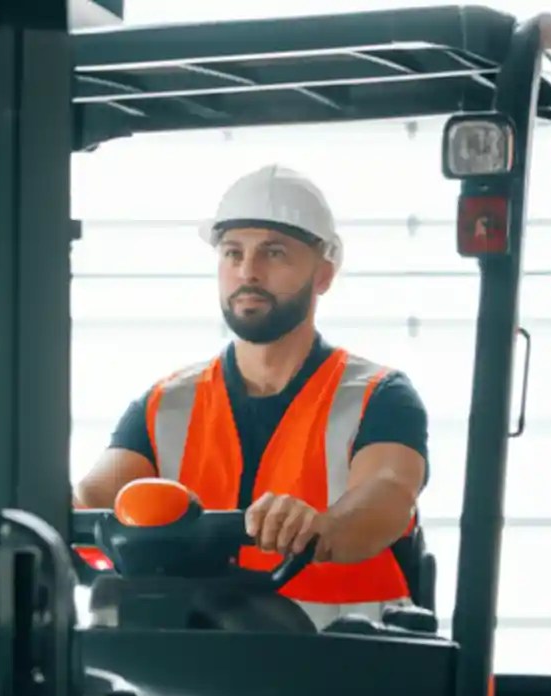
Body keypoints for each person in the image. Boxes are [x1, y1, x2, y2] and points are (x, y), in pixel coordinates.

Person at [73, 164, 430, 627]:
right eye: (232, 253)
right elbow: (93, 500)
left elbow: (386, 494)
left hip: (348, 671)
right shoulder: (164, 404)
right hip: (184, 675)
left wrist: (325, 527)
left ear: (323, 274)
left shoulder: (380, 397)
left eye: (274, 253)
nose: (248, 272)